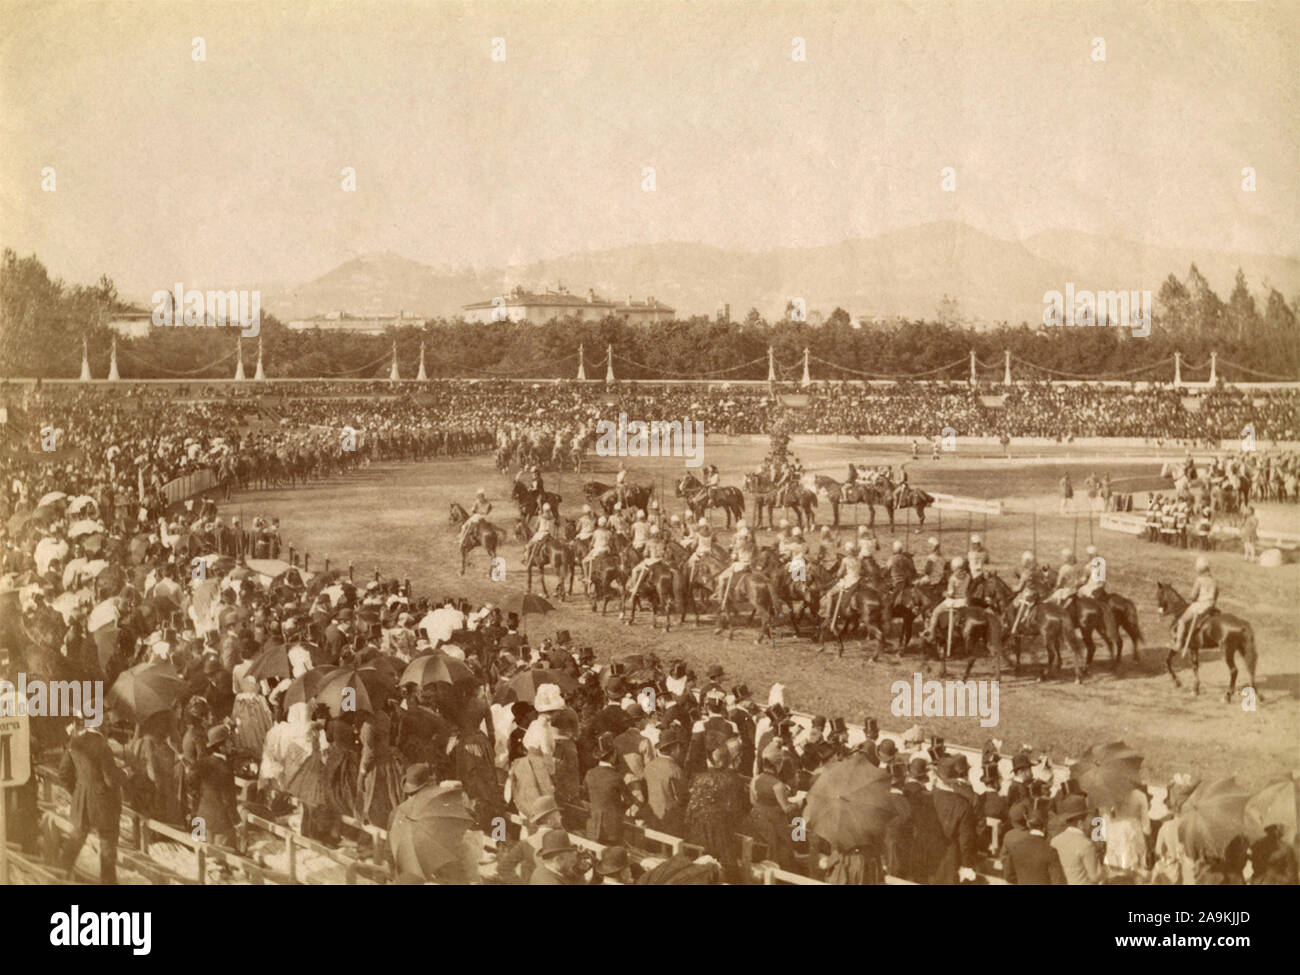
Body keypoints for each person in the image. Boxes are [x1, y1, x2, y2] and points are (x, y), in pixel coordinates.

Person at [1003, 806, 1066, 884]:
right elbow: (1058, 881)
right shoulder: (1050, 851)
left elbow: (1008, 875)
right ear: (1045, 827)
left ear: (1028, 824)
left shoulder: (1015, 847)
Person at [1050, 794, 1103, 884]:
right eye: (1088, 819)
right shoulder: (1086, 844)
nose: (1090, 822)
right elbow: (1094, 877)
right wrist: (1105, 871)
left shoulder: (1054, 841)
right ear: (1080, 823)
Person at [1173, 555, 1218, 656]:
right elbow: (1216, 595)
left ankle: (1178, 644)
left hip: (1200, 605)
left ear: (1200, 569)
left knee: (1181, 621)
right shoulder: (1214, 581)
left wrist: (1191, 599)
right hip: (1211, 605)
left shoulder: (1199, 580)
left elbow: (1193, 596)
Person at [923, 556, 969, 644]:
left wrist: (944, 593)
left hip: (953, 602)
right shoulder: (968, 576)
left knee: (936, 612)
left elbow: (950, 593)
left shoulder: (953, 578)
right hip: (963, 601)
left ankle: (931, 632)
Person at [627, 526, 666, 603]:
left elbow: (645, 554)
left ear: (651, 534)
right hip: (661, 561)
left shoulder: (649, 542)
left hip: (651, 561)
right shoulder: (662, 542)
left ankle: (634, 590)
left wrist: (644, 554)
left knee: (634, 570)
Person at [581, 516, 612, 582]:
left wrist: (590, 546)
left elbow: (592, 543)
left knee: (584, 562)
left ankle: (586, 577)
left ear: (599, 524)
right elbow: (610, 543)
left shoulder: (596, 532)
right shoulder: (609, 532)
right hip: (606, 550)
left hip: (598, 550)